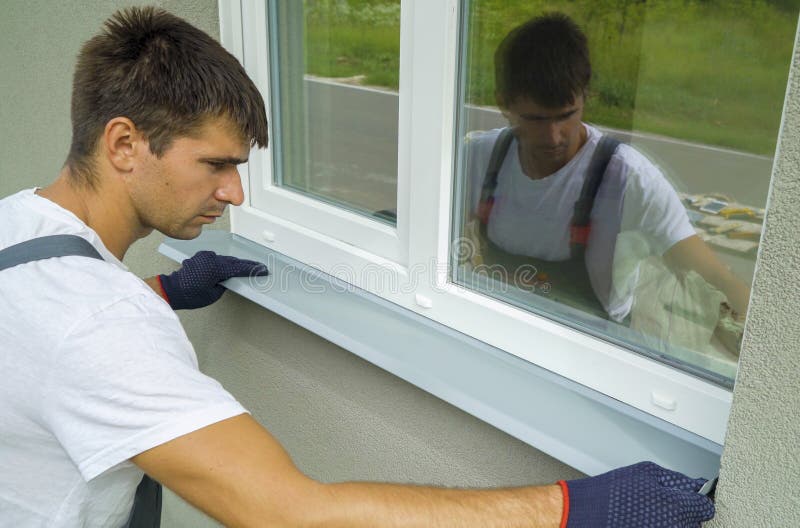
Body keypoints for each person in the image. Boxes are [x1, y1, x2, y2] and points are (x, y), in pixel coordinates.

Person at [0, 7, 715, 527]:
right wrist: (566, 508)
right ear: (123, 144)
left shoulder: (19, 222)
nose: (234, 192)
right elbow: (290, 512)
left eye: (240, 167)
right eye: (214, 165)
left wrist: (161, 289)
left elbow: (49, 343)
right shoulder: (101, 326)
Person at [465, 12, 750, 323]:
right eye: (535, 119)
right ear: (503, 104)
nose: (554, 136)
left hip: (593, 348)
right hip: (498, 326)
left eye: (566, 115)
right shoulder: (480, 158)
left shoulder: (628, 179)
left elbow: (715, 278)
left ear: (586, 97)